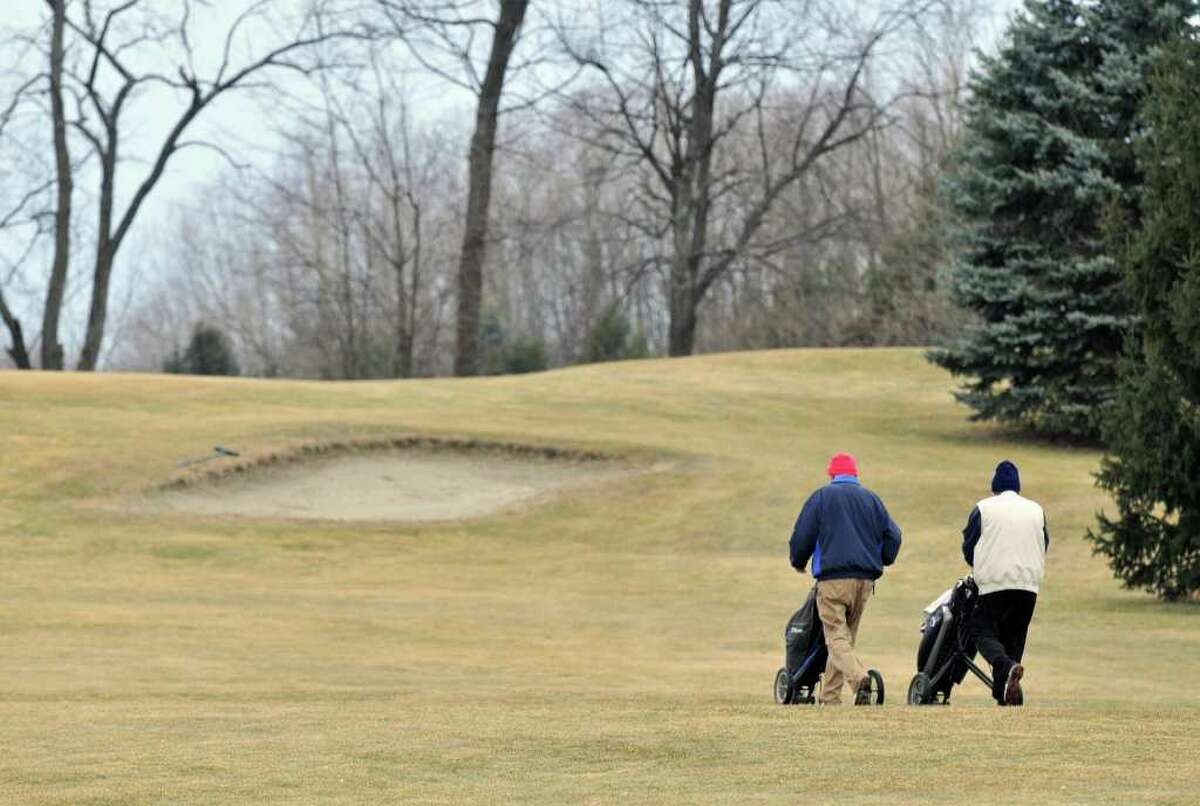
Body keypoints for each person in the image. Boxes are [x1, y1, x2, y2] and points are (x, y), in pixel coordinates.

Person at [789, 452, 902, 705]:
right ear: (855, 474)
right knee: (843, 641)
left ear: (832, 474)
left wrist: (798, 561)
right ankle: (830, 698)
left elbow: (803, 533)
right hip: (864, 581)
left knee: (836, 638)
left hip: (833, 579)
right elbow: (894, 535)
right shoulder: (872, 499)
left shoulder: (822, 496)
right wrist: (883, 559)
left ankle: (859, 677)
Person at [962, 460, 1049, 706]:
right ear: (1018, 487)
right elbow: (1045, 543)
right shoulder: (1036, 510)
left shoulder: (984, 508)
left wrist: (976, 564)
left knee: (980, 629)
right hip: (1028, 586)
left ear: (995, 487)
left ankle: (1006, 667)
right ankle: (1006, 698)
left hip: (994, 585)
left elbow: (969, 546)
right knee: (1013, 640)